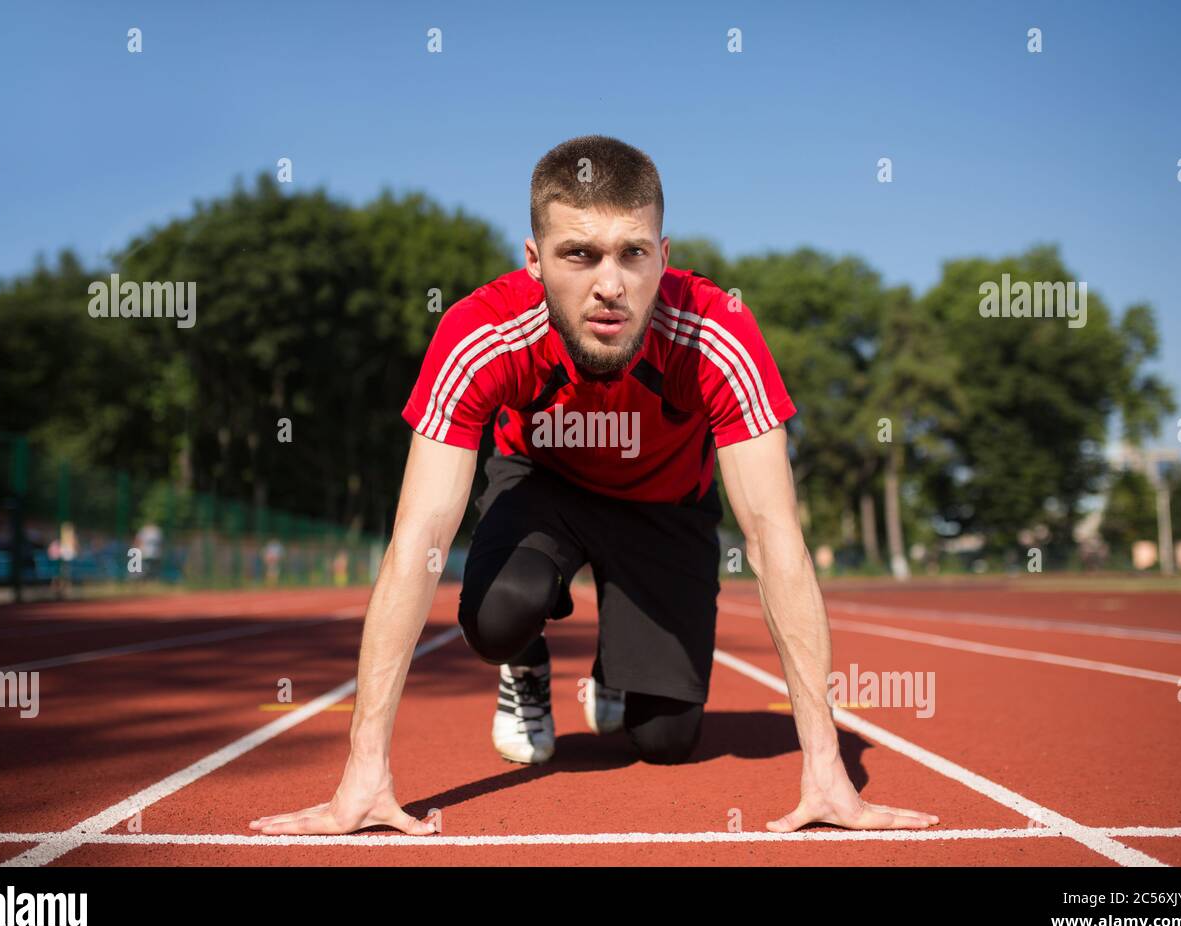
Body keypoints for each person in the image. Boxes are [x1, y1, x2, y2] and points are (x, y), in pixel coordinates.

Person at [250, 135, 938, 836]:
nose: (609, 284)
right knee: (496, 613)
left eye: (632, 253)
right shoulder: (480, 332)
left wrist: (826, 768)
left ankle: (622, 663)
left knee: (664, 741)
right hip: (545, 488)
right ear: (534, 261)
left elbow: (774, 539)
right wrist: (364, 773)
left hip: (664, 506)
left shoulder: (715, 332)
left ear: (663, 258)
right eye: (579, 254)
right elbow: (418, 538)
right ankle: (526, 666)